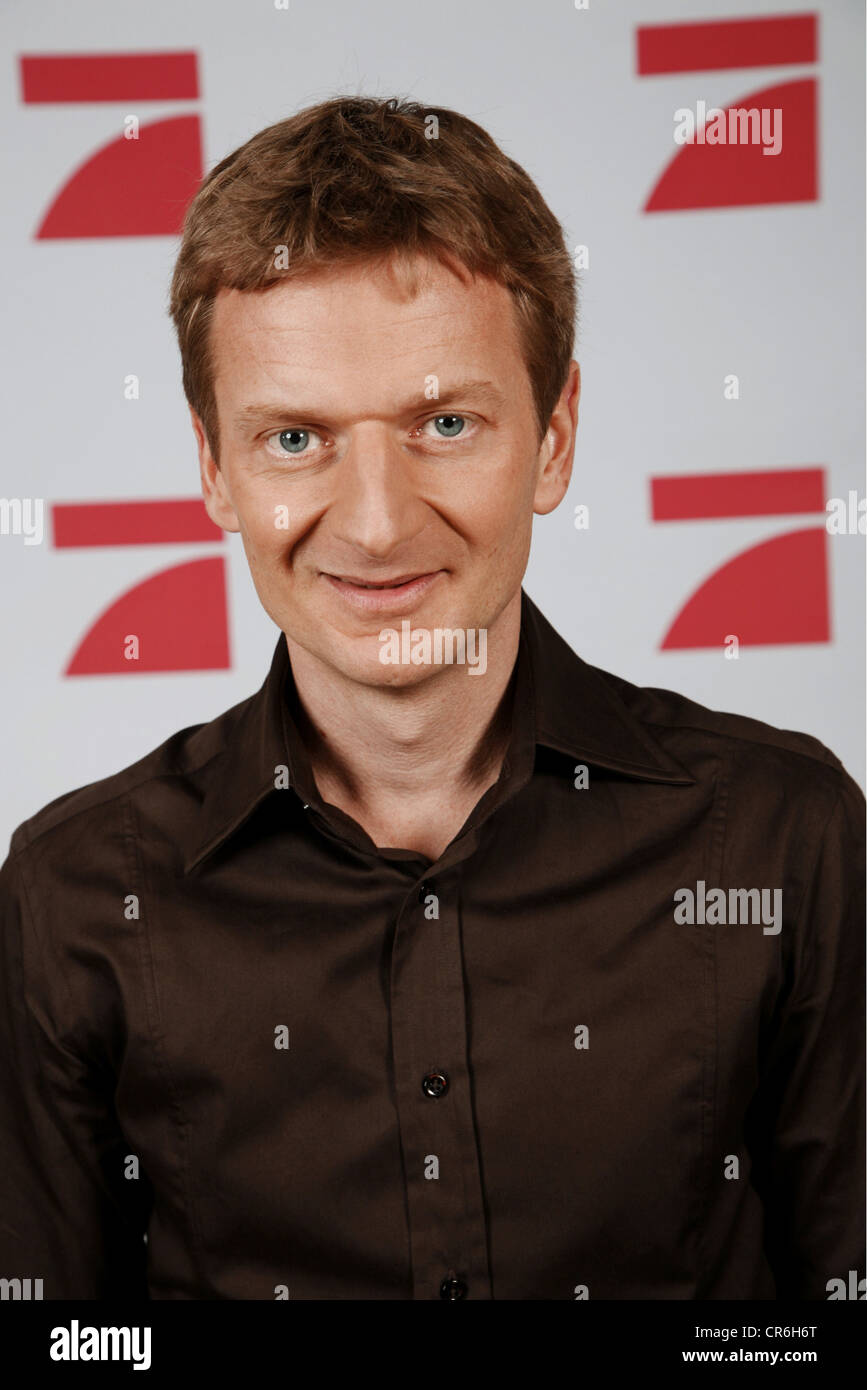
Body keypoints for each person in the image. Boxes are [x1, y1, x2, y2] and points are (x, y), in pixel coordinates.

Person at [0, 96, 863, 1302]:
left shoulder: (788, 834)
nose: (374, 521)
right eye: (295, 438)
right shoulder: (72, 894)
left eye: (444, 422)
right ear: (214, 469)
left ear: (554, 437)